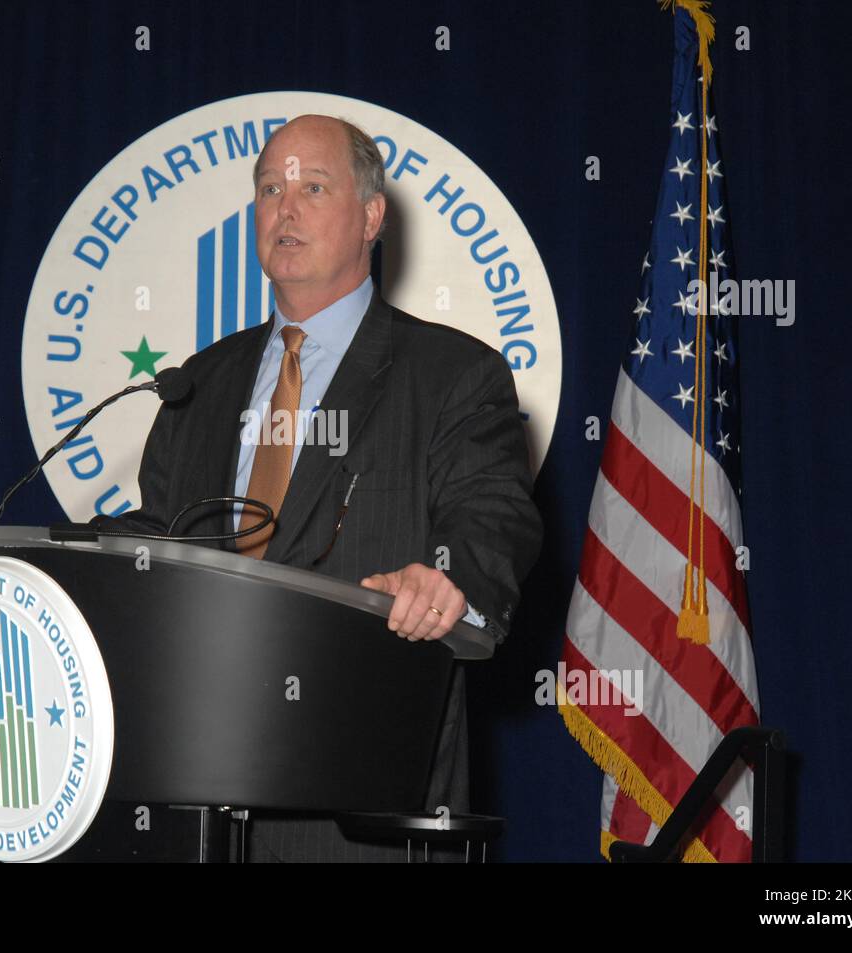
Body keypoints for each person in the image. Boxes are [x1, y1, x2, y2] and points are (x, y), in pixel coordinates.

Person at [88, 114, 543, 861]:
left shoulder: (451, 375)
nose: (284, 207)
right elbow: (162, 540)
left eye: (312, 186)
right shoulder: (196, 385)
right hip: (194, 808)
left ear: (371, 217)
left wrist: (447, 576)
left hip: (362, 808)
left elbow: (493, 518)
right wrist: (31, 577)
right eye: (269, 188)